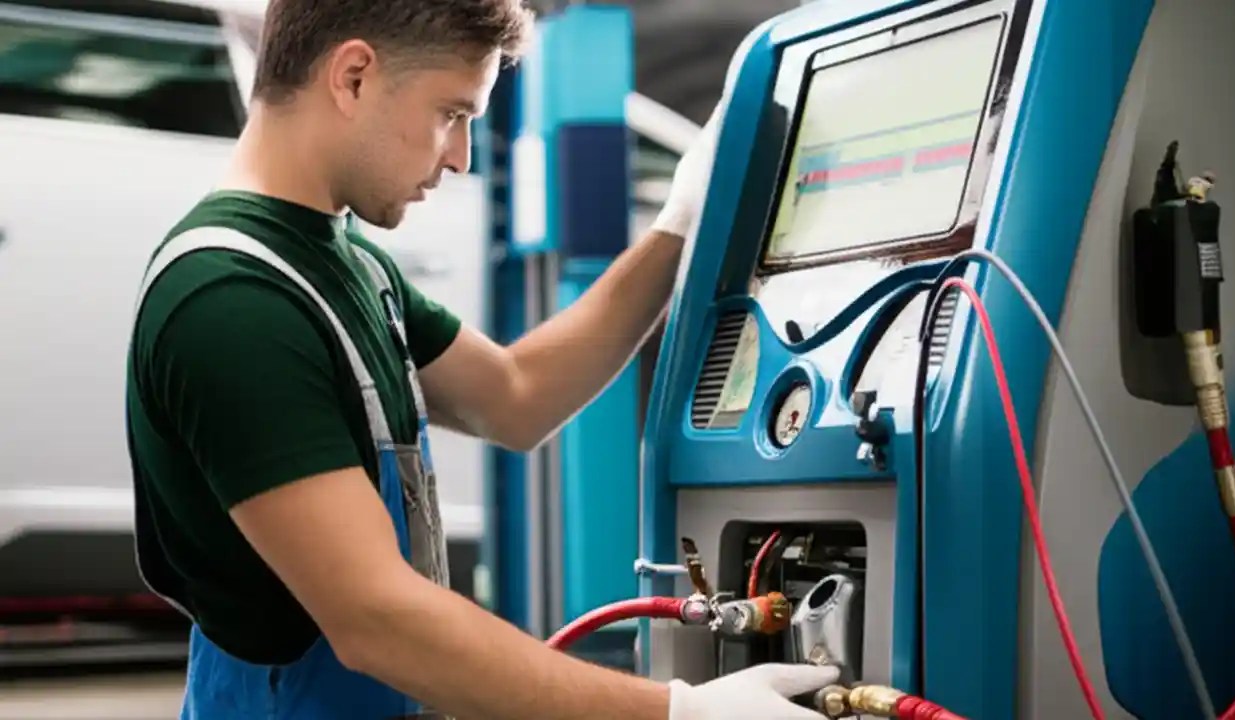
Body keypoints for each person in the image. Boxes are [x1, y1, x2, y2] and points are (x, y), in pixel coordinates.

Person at [124, 0, 839, 718]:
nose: (460, 155)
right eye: (451, 113)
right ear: (353, 77)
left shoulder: (348, 266)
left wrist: (682, 222)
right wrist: (680, 711)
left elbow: (514, 395)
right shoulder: (233, 299)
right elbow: (378, 622)